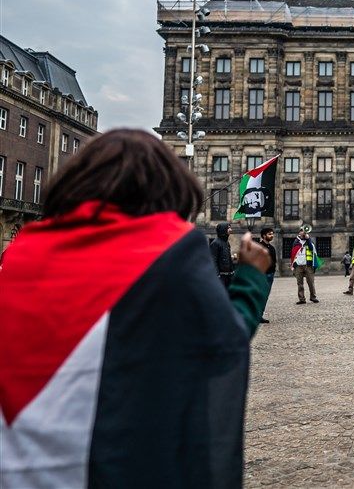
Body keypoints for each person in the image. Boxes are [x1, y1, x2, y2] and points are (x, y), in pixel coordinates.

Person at [0, 129, 271, 488]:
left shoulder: (21, 253)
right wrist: (252, 277)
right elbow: (222, 343)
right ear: (167, 189)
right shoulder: (170, 252)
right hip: (108, 464)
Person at [290, 228, 320, 304]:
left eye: (304, 232)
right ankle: (301, 299)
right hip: (298, 266)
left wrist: (308, 239)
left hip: (308, 265)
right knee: (299, 283)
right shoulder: (296, 242)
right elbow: (293, 253)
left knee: (311, 282)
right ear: (299, 233)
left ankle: (313, 297)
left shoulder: (309, 242)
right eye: (302, 232)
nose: (303, 234)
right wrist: (294, 264)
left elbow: (311, 249)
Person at [256, 227, 278, 324]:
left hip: (270, 275)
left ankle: (259, 315)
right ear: (264, 236)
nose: (272, 235)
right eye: (269, 234)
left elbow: (274, 261)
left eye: (272, 234)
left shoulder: (272, 248)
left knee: (265, 296)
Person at [210, 222, 234, 289]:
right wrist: (217, 276)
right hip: (221, 278)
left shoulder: (226, 242)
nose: (230, 230)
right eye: (228, 228)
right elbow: (213, 260)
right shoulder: (215, 243)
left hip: (229, 277)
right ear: (223, 229)